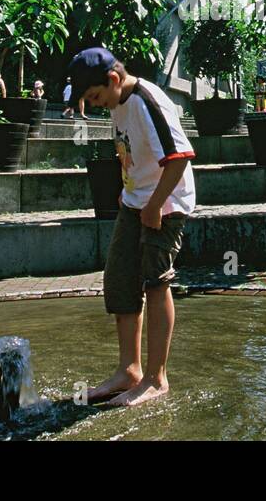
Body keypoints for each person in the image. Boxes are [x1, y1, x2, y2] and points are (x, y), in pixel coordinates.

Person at [71, 48, 196, 408]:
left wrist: (155, 205)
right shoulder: (118, 102)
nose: (95, 104)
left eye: (95, 96)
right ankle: (129, 370)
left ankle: (157, 379)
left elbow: (179, 159)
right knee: (120, 279)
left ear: (112, 78)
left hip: (166, 203)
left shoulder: (146, 102)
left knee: (156, 282)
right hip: (134, 200)